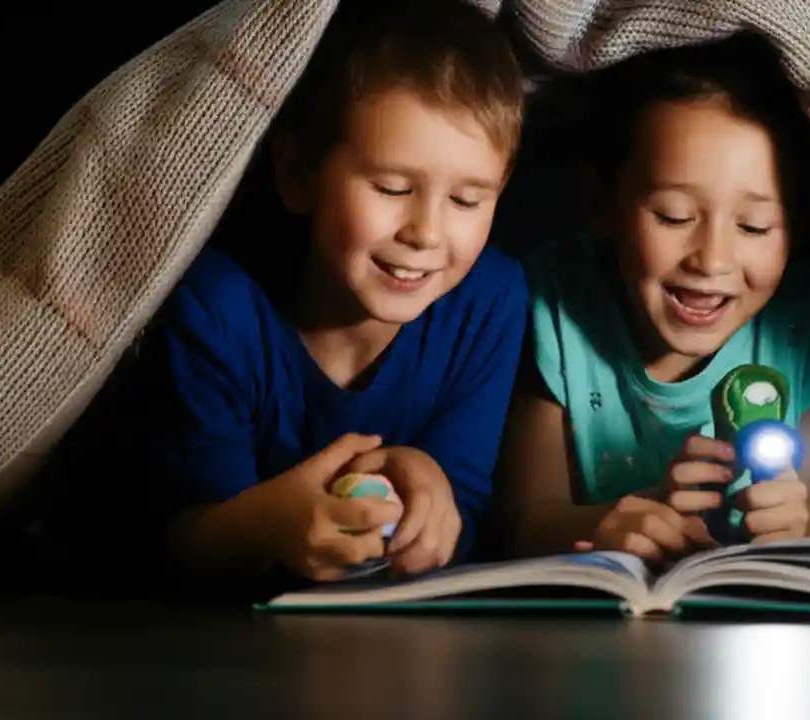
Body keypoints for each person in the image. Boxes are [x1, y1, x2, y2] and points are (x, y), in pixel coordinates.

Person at [144, 0, 528, 581]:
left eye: (466, 201)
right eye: (391, 187)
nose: (425, 232)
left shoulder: (489, 302)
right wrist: (262, 524)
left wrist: (426, 483)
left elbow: (464, 525)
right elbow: (178, 539)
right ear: (298, 174)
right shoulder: (215, 306)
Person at [497, 35, 810, 563]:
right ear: (603, 205)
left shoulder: (799, 322)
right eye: (673, 216)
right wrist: (615, 522)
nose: (711, 259)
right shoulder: (560, 307)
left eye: (754, 226)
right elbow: (521, 521)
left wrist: (804, 525)